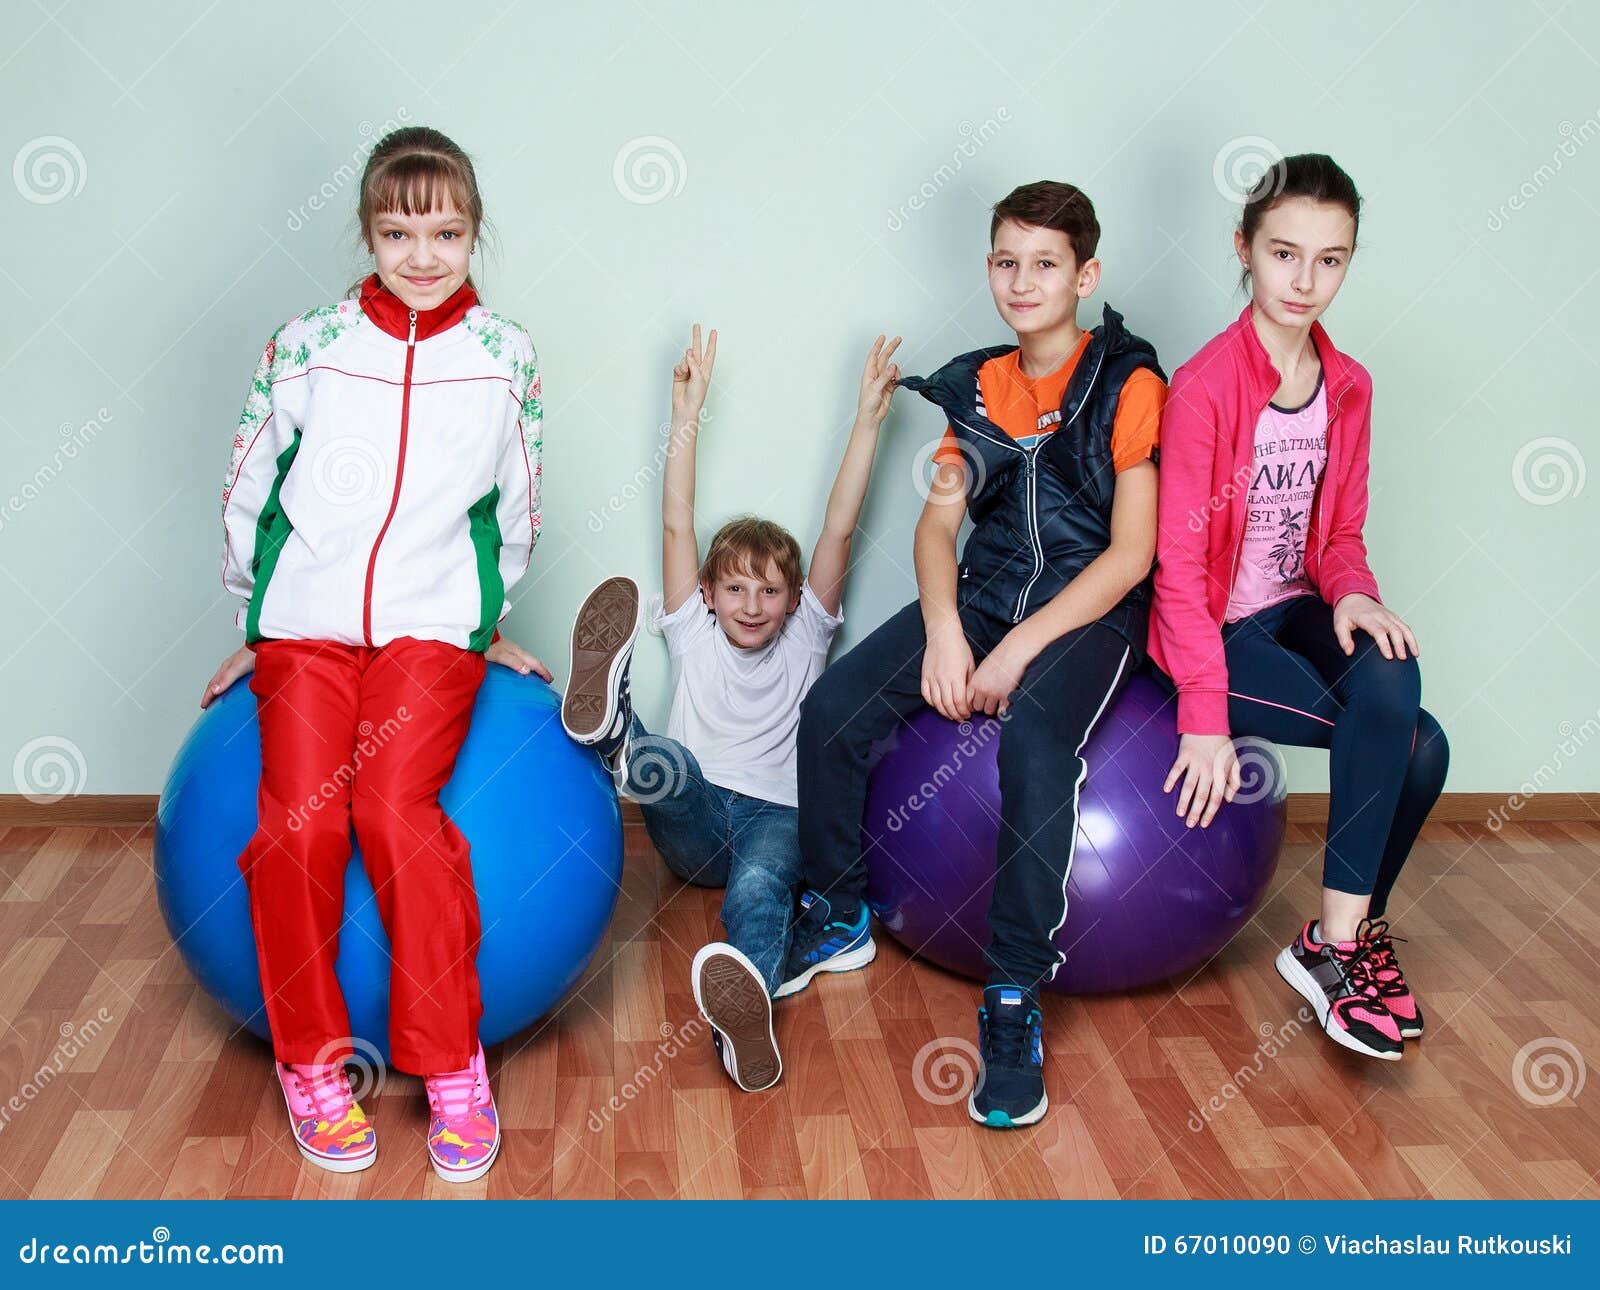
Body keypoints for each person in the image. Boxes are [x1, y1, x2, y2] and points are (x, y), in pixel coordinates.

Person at [205, 126, 549, 1181]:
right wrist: (252, 625)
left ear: (473, 232)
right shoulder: (306, 344)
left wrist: (486, 616)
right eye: (398, 231)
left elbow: (516, 503)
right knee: (297, 824)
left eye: (445, 231)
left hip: (429, 631)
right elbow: (250, 487)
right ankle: (311, 1063)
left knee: (394, 811)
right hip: (306, 626)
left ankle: (451, 1068)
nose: (423, 254)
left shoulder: (504, 357)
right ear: (367, 231)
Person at [788, 181, 1168, 1128]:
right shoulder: (979, 387)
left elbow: (1131, 554)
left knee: (1034, 748)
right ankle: (839, 914)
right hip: (987, 594)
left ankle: (1011, 996)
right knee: (831, 712)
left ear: (1086, 275)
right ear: (988, 269)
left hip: (1087, 611)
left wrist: (1021, 653)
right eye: (1007, 261)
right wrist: (951, 626)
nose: (1023, 280)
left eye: (1046, 263)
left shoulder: (1130, 383)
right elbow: (936, 527)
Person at [1148, 153, 1449, 1062]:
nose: (1305, 280)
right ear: (1244, 250)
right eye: (1284, 254)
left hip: (1296, 603)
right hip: (1210, 631)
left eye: (1331, 259)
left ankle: (1335, 944)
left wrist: (1354, 592)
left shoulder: (1348, 386)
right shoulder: (1204, 388)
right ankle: (1342, 953)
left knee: (1410, 706)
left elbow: (1339, 536)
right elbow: (1174, 566)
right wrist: (1202, 717)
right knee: (1407, 742)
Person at [561, 325, 898, 1093]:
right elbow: (678, 523)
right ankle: (615, 728)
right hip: (698, 821)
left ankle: (744, 1009)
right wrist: (687, 411)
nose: (752, 604)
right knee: (672, 767)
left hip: (780, 817)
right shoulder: (695, 635)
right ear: (707, 596)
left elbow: (838, 528)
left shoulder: (808, 639)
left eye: (770, 590)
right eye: (735, 589)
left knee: (760, 892)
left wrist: (869, 420)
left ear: (793, 600)